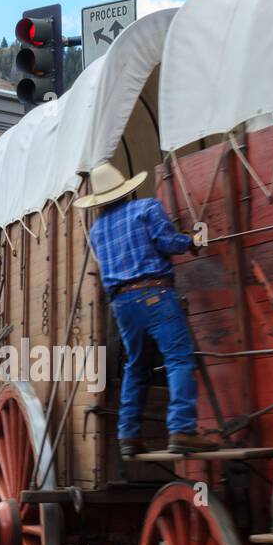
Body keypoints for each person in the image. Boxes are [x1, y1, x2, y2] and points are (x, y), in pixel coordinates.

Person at [74, 162, 218, 456]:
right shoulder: (146, 208)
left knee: (136, 366)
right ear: (127, 190)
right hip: (154, 293)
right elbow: (166, 243)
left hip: (122, 305)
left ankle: (128, 435)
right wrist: (191, 241)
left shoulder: (98, 229)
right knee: (179, 359)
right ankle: (181, 429)